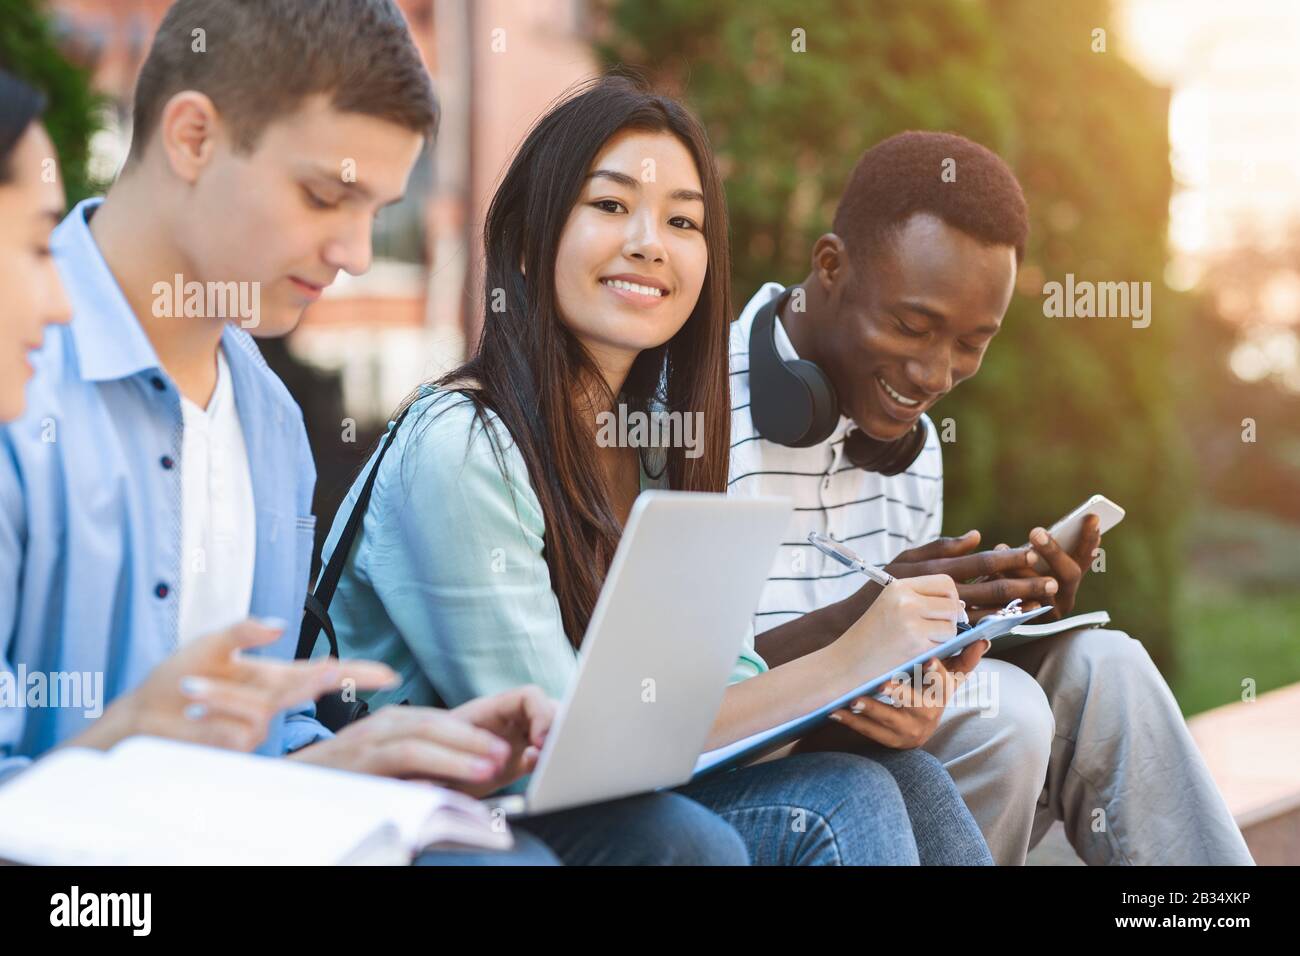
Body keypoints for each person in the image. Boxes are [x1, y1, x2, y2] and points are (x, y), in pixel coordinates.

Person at [0, 3, 747, 866]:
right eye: (326, 196)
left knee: (663, 846)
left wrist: (354, 759)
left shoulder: (269, 419)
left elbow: (268, 754)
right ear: (194, 138)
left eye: (381, 210)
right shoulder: (26, 385)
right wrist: (129, 745)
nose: (356, 250)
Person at [320, 75, 993, 866]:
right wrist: (850, 657)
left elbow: (722, 685)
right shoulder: (465, 445)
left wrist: (871, 691)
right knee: (843, 801)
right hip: (441, 822)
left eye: (683, 220)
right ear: (532, 241)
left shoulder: (662, 445)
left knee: (903, 773)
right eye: (609, 207)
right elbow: (571, 748)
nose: (649, 242)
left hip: (592, 804)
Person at [727, 130, 1253, 865]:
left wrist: (964, 642)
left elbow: (888, 694)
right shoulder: (689, 408)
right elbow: (679, 707)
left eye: (973, 342)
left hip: (871, 771)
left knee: (1106, 666)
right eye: (913, 326)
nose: (936, 374)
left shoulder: (913, 446)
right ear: (830, 266)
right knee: (1008, 717)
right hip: (747, 798)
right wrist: (855, 637)